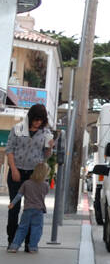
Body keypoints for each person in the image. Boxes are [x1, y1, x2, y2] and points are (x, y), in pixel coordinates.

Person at [5, 104, 55, 246]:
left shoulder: (46, 133)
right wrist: (14, 169)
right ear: (30, 117)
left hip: (34, 176)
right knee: (14, 207)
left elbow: (45, 156)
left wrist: (50, 148)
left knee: (31, 209)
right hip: (17, 171)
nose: (37, 122)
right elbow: (9, 150)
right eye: (35, 119)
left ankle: (29, 242)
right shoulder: (18, 129)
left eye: (40, 120)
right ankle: (12, 240)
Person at [8, 159, 50, 252]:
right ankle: (33, 247)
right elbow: (46, 193)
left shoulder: (26, 183)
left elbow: (19, 195)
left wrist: (12, 204)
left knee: (22, 228)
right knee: (36, 229)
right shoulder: (45, 185)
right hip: (39, 210)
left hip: (27, 210)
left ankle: (14, 246)